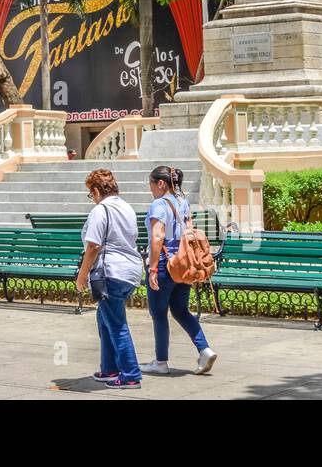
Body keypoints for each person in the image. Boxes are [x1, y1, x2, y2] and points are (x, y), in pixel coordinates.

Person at [141, 165, 218, 376]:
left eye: (151, 184)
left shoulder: (159, 204)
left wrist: (153, 268)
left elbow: (157, 237)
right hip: (184, 265)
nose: (150, 189)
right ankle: (204, 349)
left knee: (158, 313)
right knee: (180, 310)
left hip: (165, 264)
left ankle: (161, 362)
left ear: (161, 183)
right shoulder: (183, 202)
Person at [74, 168, 144, 389]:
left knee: (115, 324)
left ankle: (131, 374)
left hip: (110, 272)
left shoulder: (100, 209)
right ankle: (109, 368)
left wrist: (82, 275)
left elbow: (94, 245)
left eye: (90, 193)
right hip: (130, 271)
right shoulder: (127, 207)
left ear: (96, 190)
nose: (91, 198)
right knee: (105, 319)